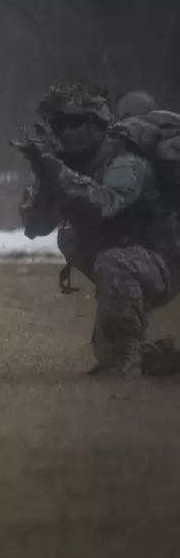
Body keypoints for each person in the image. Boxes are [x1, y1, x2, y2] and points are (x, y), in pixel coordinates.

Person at [15, 82, 178, 377]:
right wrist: (46, 174)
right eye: (58, 124)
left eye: (73, 123)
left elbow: (104, 203)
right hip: (125, 258)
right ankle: (147, 353)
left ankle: (127, 359)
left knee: (112, 263)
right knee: (70, 235)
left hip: (163, 259)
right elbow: (36, 227)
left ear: (97, 124)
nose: (64, 131)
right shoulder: (71, 163)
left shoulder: (126, 160)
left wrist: (58, 173)